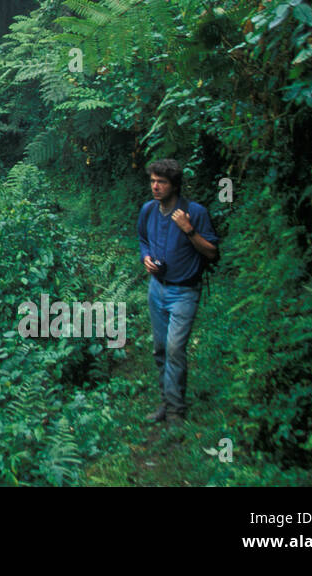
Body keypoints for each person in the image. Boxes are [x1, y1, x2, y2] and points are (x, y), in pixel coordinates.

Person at [138, 159, 219, 425]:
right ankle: (166, 401)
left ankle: (175, 409)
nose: (156, 186)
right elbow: (143, 240)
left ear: (175, 185)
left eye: (161, 182)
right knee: (160, 349)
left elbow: (212, 252)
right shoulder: (148, 210)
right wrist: (146, 257)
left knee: (175, 349)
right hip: (156, 289)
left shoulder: (195, 212)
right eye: (153, 181)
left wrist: (189, 230)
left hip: (184, 291)